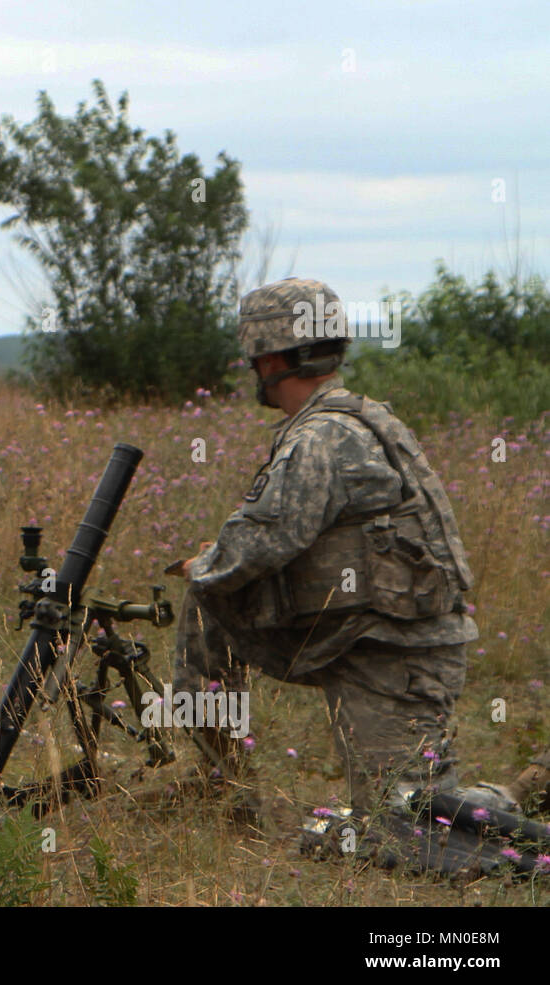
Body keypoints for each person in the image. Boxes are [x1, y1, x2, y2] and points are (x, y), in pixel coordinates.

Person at [168, 278, 478, 819]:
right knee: (208, 608)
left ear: (267, 361)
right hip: (368, 637)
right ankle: (224, 794)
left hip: (391, 652)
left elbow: (266, 538)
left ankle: (520, 794)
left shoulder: (322, 436)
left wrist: (204, 563)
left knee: (412, 826)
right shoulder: (359, 416)